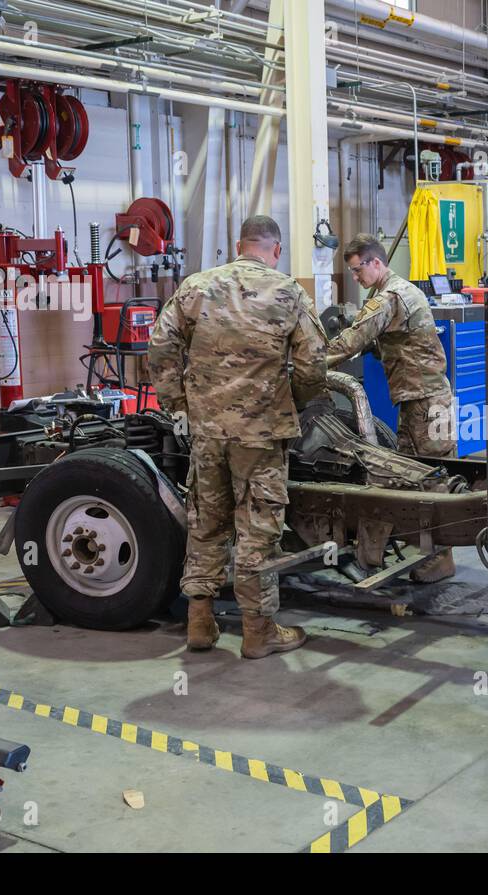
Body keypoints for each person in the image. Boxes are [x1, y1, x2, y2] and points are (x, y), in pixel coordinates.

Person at [149, 215, 327, 657]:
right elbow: (314, 363)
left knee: (206, 523)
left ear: (238, 245)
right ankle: (258, 631)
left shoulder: (196, 286)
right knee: (257, 530)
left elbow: (159, 344)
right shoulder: (289, 292)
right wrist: (296, 401)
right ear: (276, 250)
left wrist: (180, 404)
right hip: (262, 436)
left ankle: (200, 623)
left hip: (207, 432)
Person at [325, 233, 456, 582]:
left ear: (376, 262)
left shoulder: (389, 297)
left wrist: (312, 361)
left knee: (433, 481)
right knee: (407, 478)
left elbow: (354, 337)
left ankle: (442, 558)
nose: (355, 278)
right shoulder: (399, 290)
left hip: (426, 402)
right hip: (420, 400)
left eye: (357, 271)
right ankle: (420, 549)